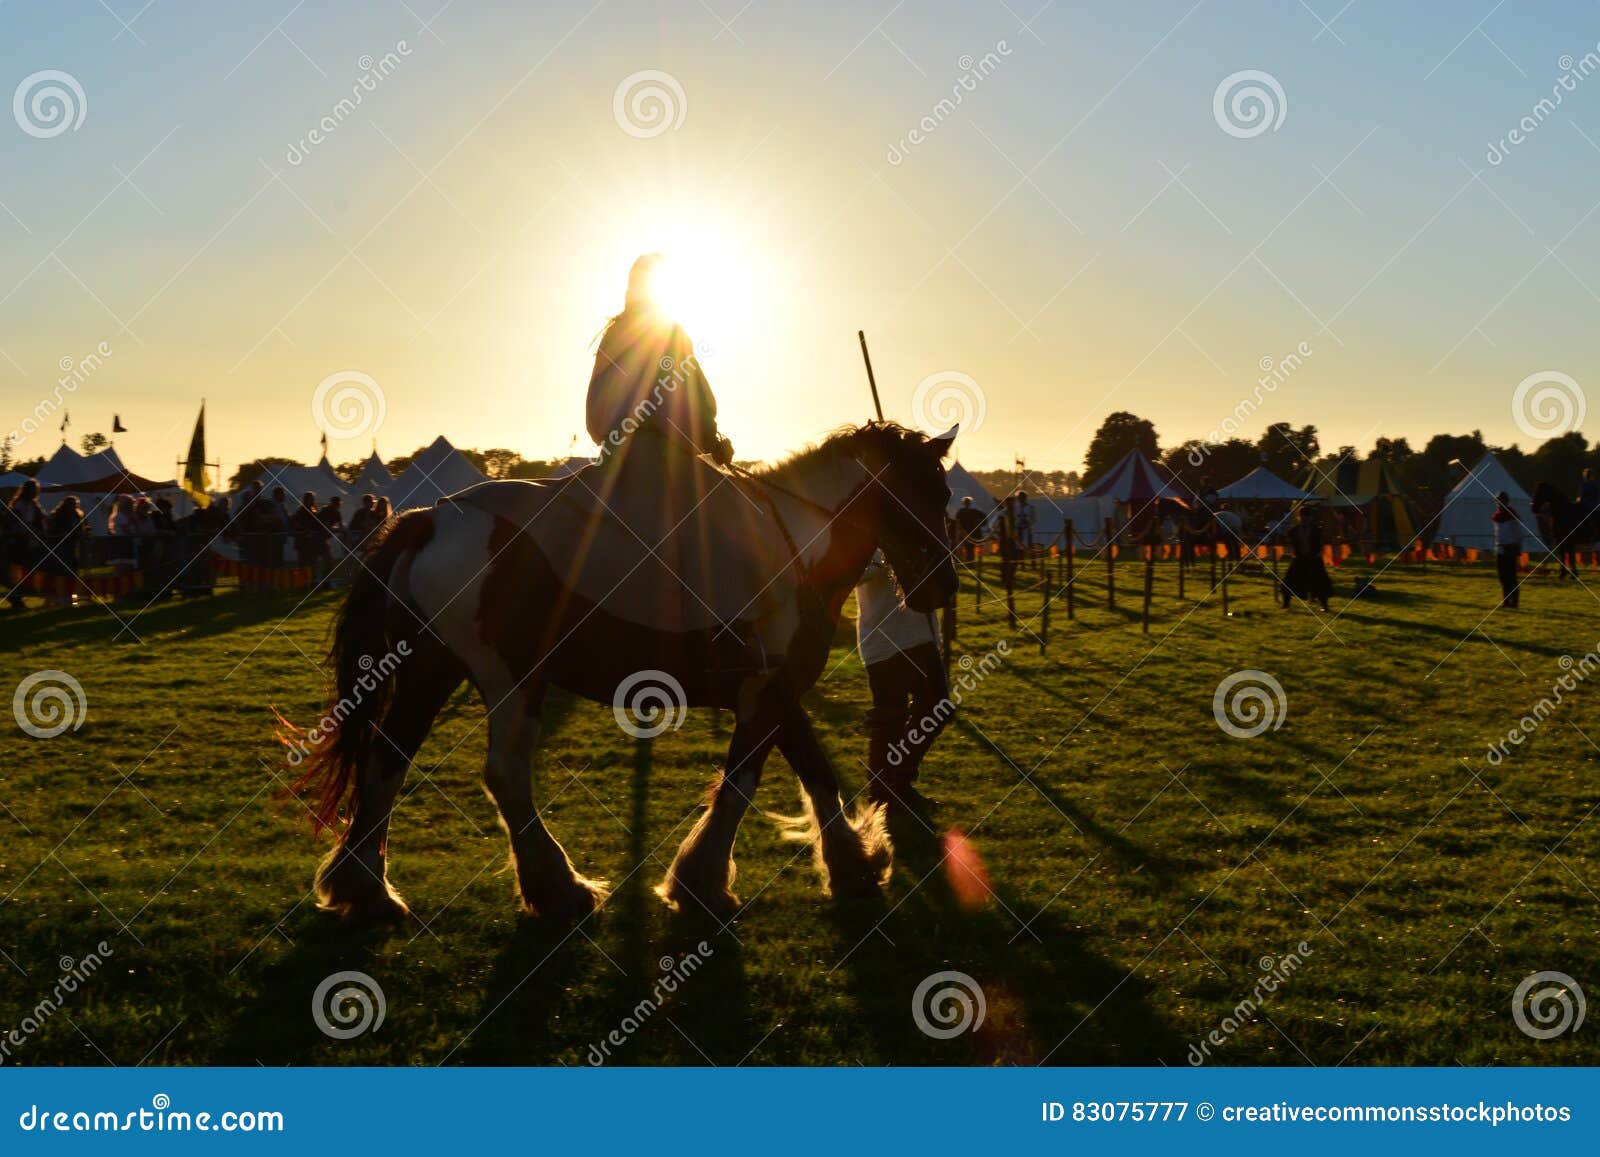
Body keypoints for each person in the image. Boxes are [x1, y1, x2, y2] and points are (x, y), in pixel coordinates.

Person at [586, 253, 732, 467]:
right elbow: (696, 398)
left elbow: (596, 418)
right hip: (656, 454)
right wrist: (712, 441)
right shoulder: (668, 332)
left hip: (611, 451)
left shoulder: (613, 332)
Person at [855, 550, 947, 812]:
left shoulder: (918, 526)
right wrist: (889, 556)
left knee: (938, 707)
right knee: (889, 719)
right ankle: (884, 795)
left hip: (921, 634)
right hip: (885, 639)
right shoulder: (868, 530)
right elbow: (855, 574)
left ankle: (898, 781)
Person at [4, 479, 48, 608]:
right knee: (21, 570)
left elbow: (40, 520)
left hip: (29, 541)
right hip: (18, 542)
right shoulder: (19, 504)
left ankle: (16, 597)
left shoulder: (34, 505)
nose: (35, 492)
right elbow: (15, 523)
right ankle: (16, 597)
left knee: (27, 570)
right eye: (32, 490)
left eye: (36, 490)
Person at [1281, 505, 1332, 611]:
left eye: (1307, 516)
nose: (1305, 518)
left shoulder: (1317, 530)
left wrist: (1319, 551)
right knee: (1289, 581)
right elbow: (1289, 542)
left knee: (1320, 582)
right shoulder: (1293, 531)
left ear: (1311, 517)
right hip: (1299, 558)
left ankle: (1324, 605)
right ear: (1299, 517)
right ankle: (1286, 603)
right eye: (1303, 516)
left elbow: (1323, 542)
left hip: (1314, 559)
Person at [1492, 491, 1524, 608]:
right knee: (1502, 577)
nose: (1499, 503)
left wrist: (1517, 547)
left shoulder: (1512, 516)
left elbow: (1519, 534)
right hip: (1500, 550)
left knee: (1511, 577)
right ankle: (1506, 601)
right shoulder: (1496, 517)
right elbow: (1497, 535)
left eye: (1501, 501)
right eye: (1498, 501)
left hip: (1510, 550)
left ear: (1506, 502)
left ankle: (1514, 602)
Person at [954, 496, 985, 562]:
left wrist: (979, 524)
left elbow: (984, 517)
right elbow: (957, 522)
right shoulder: (961, 512)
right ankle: (969, 560)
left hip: (972, 532)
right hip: (964, 532)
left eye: (968, 502)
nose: (967, 503)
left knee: (970, 547)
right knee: (967, 547)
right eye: (966, 502)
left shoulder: (974, 511)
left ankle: (970, 561)